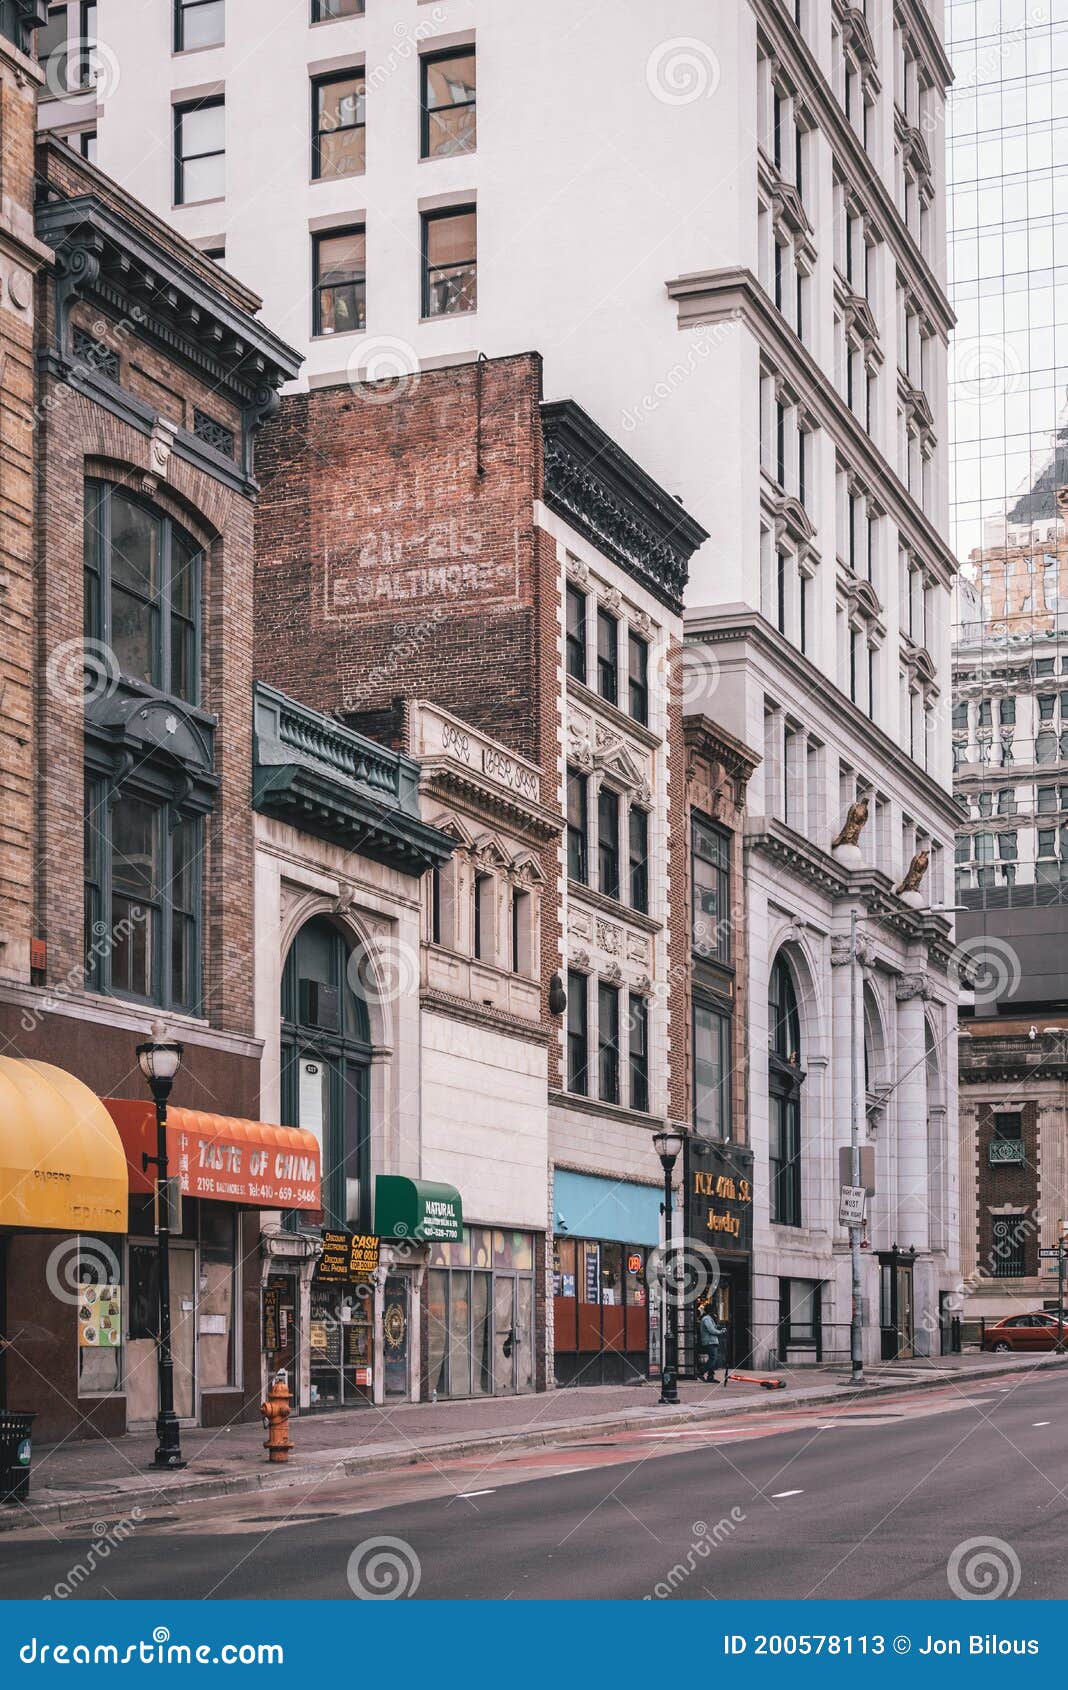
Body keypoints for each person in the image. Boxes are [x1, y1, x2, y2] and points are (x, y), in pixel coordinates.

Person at [698, 1301, 726, 1385]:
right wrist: (721, 1332)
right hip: (709, 1341)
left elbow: (713, 1327)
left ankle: (710, 1377)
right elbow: (711, 1330)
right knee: (713, 1359)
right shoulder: (706, 1318)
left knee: (713, 1359)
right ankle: (700, 1372)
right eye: (714, 1310)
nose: (715, 1312)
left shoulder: (710, 1318)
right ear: (711, 1311)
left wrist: (719, 1327)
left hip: (712, 1341)